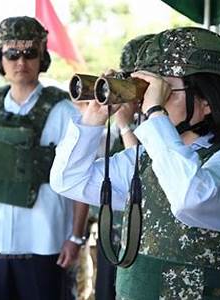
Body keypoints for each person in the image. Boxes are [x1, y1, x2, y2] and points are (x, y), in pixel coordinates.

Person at [51, 27, 220, 299]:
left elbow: (190, 198)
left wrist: (155, 113)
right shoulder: (145, 161)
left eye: (165, 92)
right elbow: (68, 180)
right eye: (148, 94)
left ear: (207, 101)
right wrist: (94, 117)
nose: (147, 102)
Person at [0, 16, 89, 300]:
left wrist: (75, 237)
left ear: (42, 57)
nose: (21, 61)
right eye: (12, 54)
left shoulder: (64, 112)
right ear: (1, 58)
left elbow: (81, 180)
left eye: (29, 53)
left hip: (44, 242)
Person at [92, 33, 154, 300]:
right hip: (113, 230)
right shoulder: (123, 114)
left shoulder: (160, 117)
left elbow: (143, 169)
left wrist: (126, 124)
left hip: (144, 237)